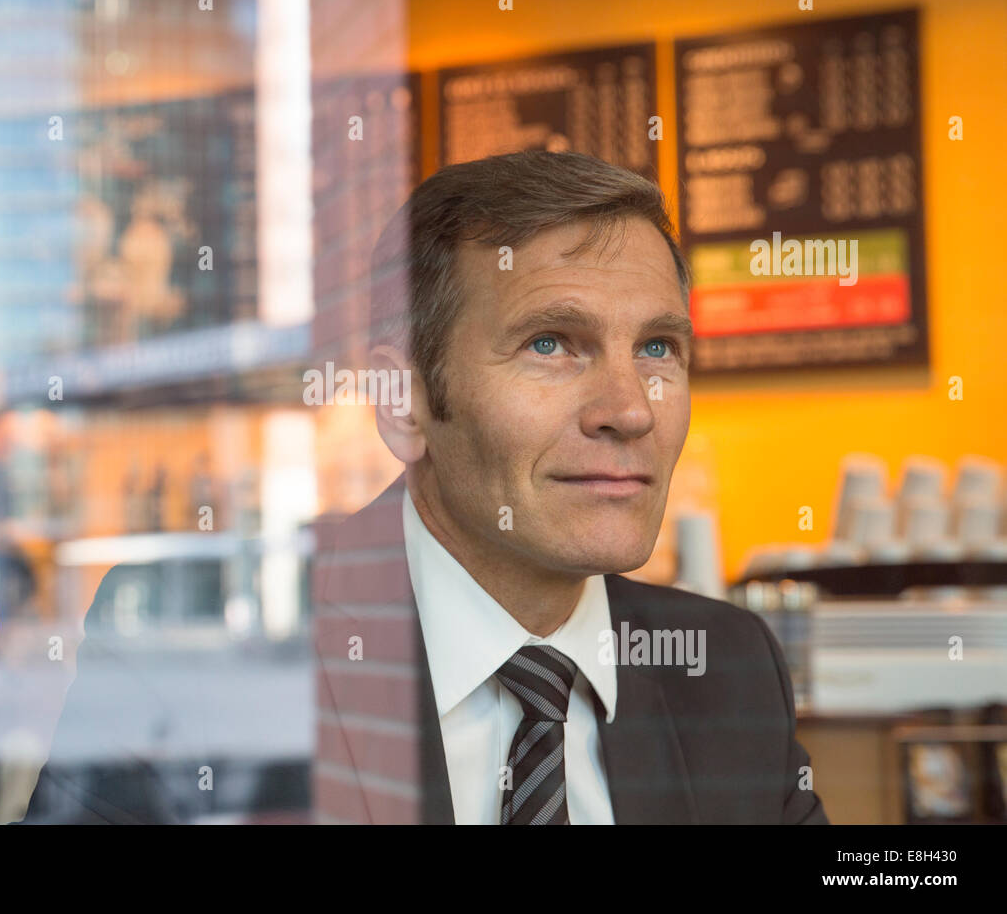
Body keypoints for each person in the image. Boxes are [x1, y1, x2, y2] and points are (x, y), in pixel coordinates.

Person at [312, 149, 828, 824]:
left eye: (657, 348)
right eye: (550, 344)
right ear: (403, 401)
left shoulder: (727, 670)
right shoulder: (227, 670)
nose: (632, 409)